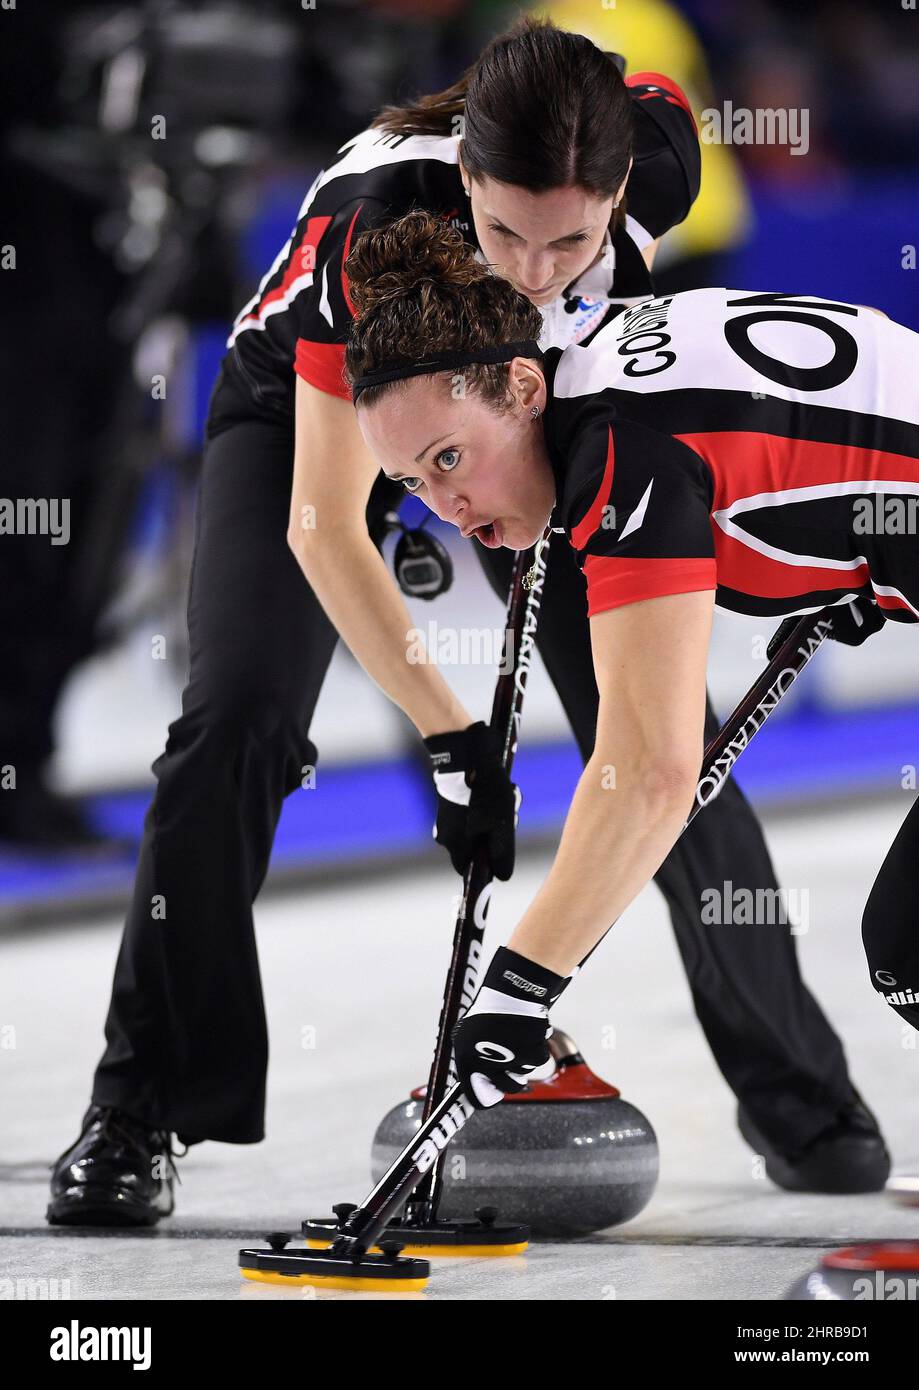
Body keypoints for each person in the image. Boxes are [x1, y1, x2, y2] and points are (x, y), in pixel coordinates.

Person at [48, 17, 884, 1228]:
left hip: (515, 404)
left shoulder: (648, 155)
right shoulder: (376, 221)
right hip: (316, 416)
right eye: (502, 234)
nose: (538, 273)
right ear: (464, 183)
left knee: (651, 743)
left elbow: (638, 98)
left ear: (618, 195)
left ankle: (803, 1100)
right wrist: (451, 738)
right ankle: (137, 1108)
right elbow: (329, 525)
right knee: (236, 717)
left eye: (572, 241)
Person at [340, 208, 916, 1120]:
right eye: (413, 483)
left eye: (449, 458)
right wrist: (866, 562)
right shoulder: (594, 349)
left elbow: (648, 768)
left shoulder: (618, 453)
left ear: (522, 390)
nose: (446, 508)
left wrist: (517, 991)